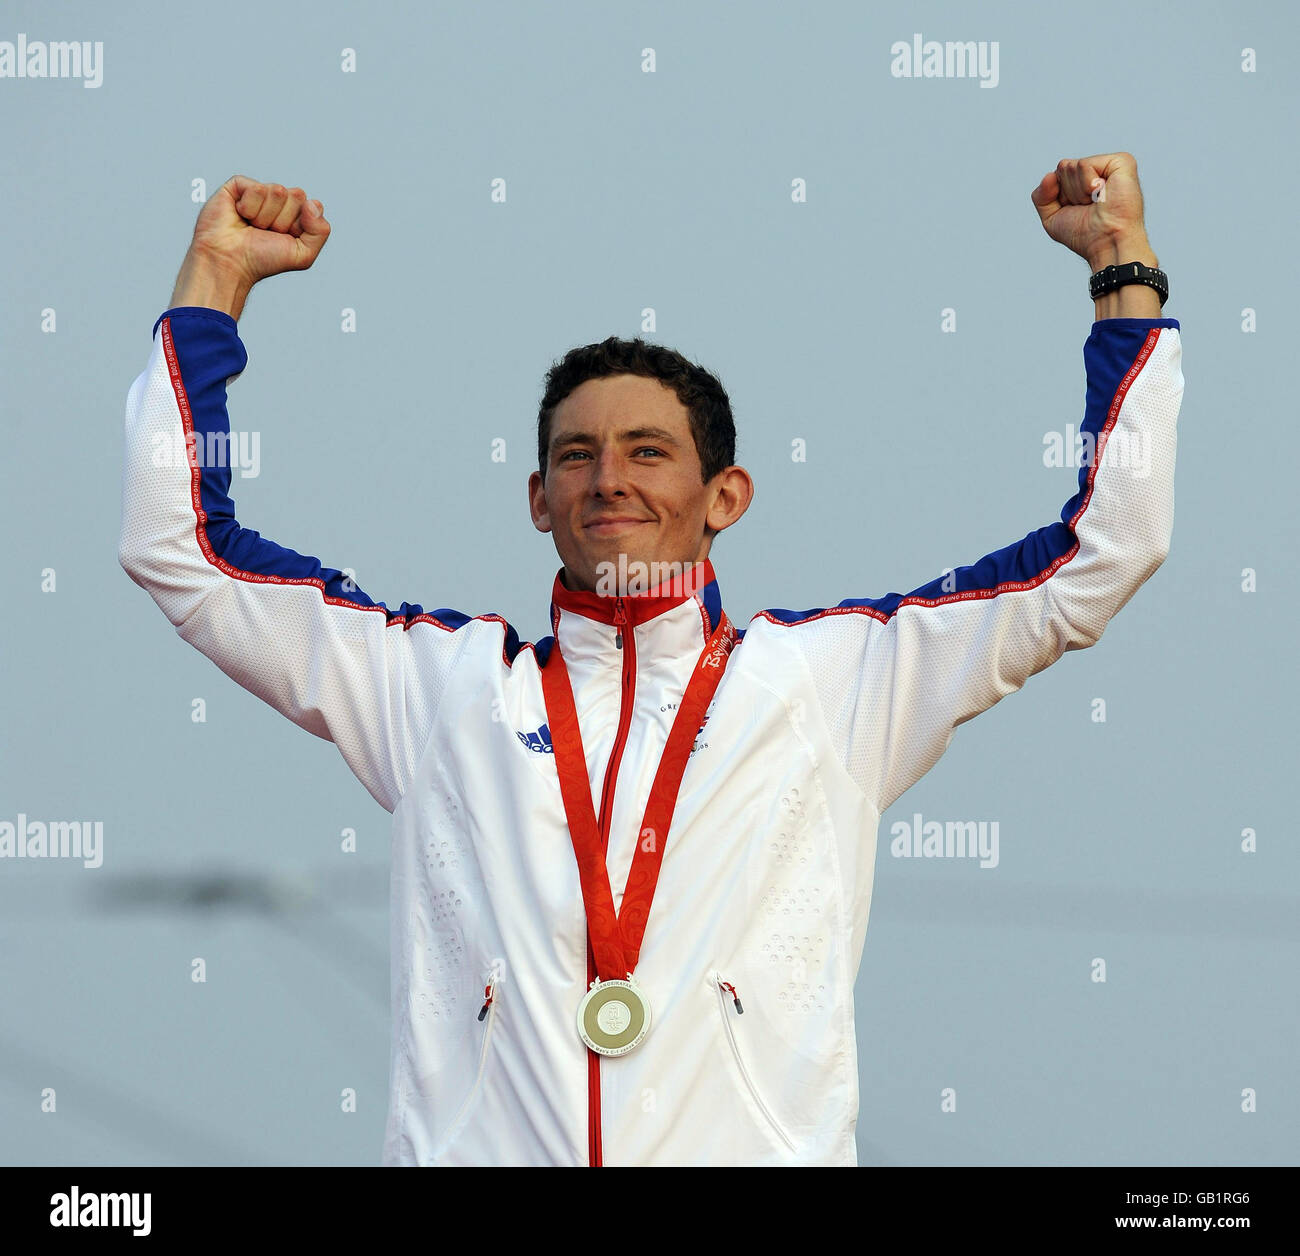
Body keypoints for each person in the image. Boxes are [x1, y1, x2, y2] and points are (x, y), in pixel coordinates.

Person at [118, 154, 1183, 1166]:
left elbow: (1102, 549)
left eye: (647, 451)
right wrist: (214, 280)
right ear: (538, 500)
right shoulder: (440, 689)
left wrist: (1119, 269)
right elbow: (183, 551)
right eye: (575, 455)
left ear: (726, 496)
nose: (607, 479)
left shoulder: (833, 681)